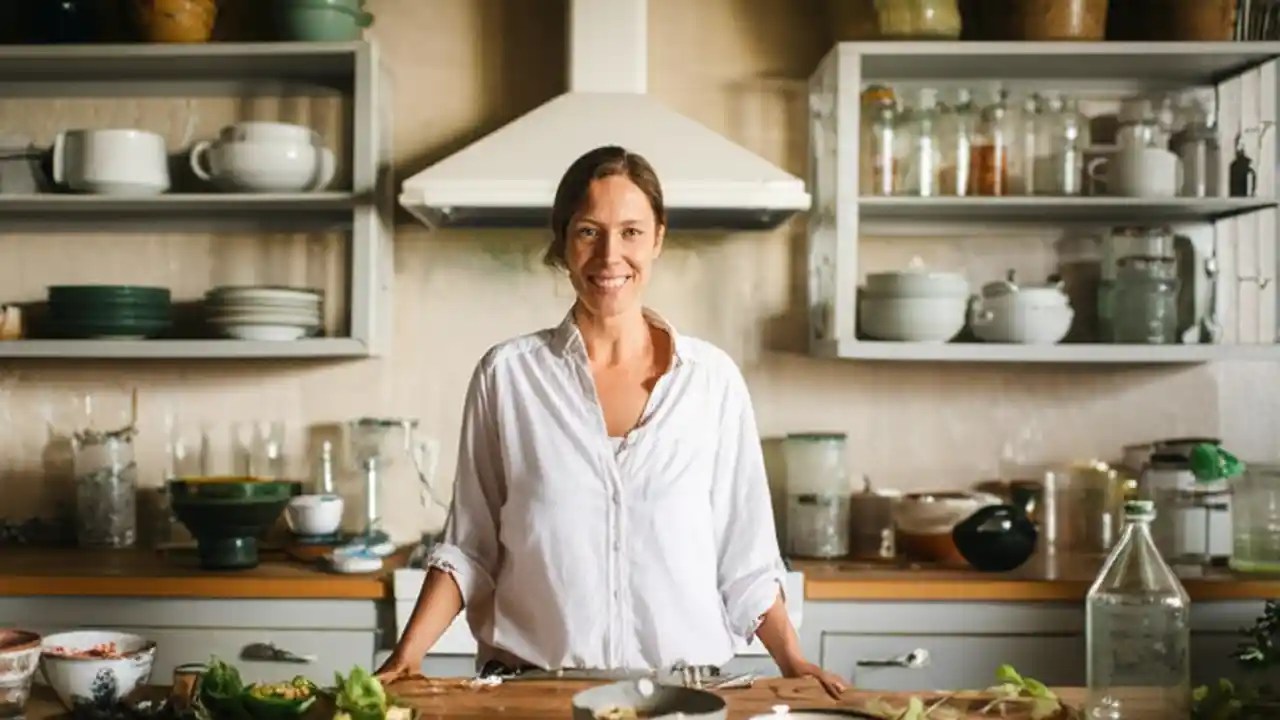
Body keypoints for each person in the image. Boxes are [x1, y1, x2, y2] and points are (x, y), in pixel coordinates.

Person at [376, 145, 845, 697]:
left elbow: (746, 558)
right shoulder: (507, 377)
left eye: (630, 232)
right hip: (535, 692)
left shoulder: (711, 382)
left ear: (658, 238)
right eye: (588, 232)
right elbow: (470, 547)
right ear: (563, 240)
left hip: (683, 698)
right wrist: (407, 654)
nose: (609, 256)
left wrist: (792, 658)